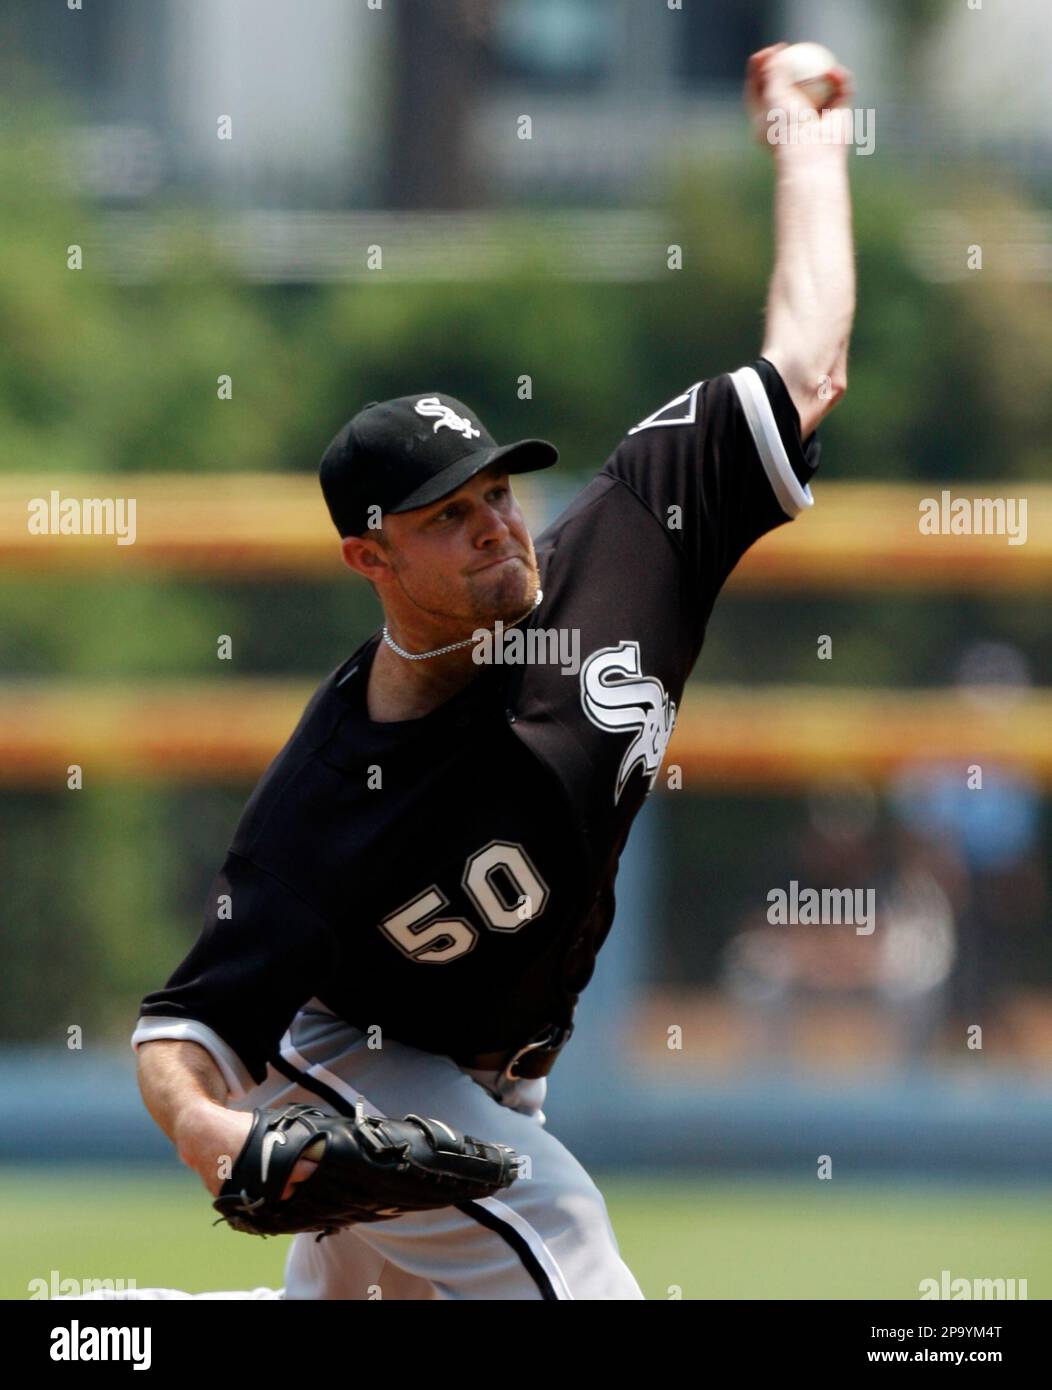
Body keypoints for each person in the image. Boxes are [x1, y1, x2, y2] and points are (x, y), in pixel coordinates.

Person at [76, 43, 855, 1301]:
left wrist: (808, 140)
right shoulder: (330, 790)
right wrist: (220, 1140)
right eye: (448, 514)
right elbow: (183, 1033)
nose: (494, 522)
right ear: (366, 555)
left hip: (503, 1067)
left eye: (496, 490)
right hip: (347, 1054)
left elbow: (806, 364)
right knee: (560, 1242)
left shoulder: (628, 545)